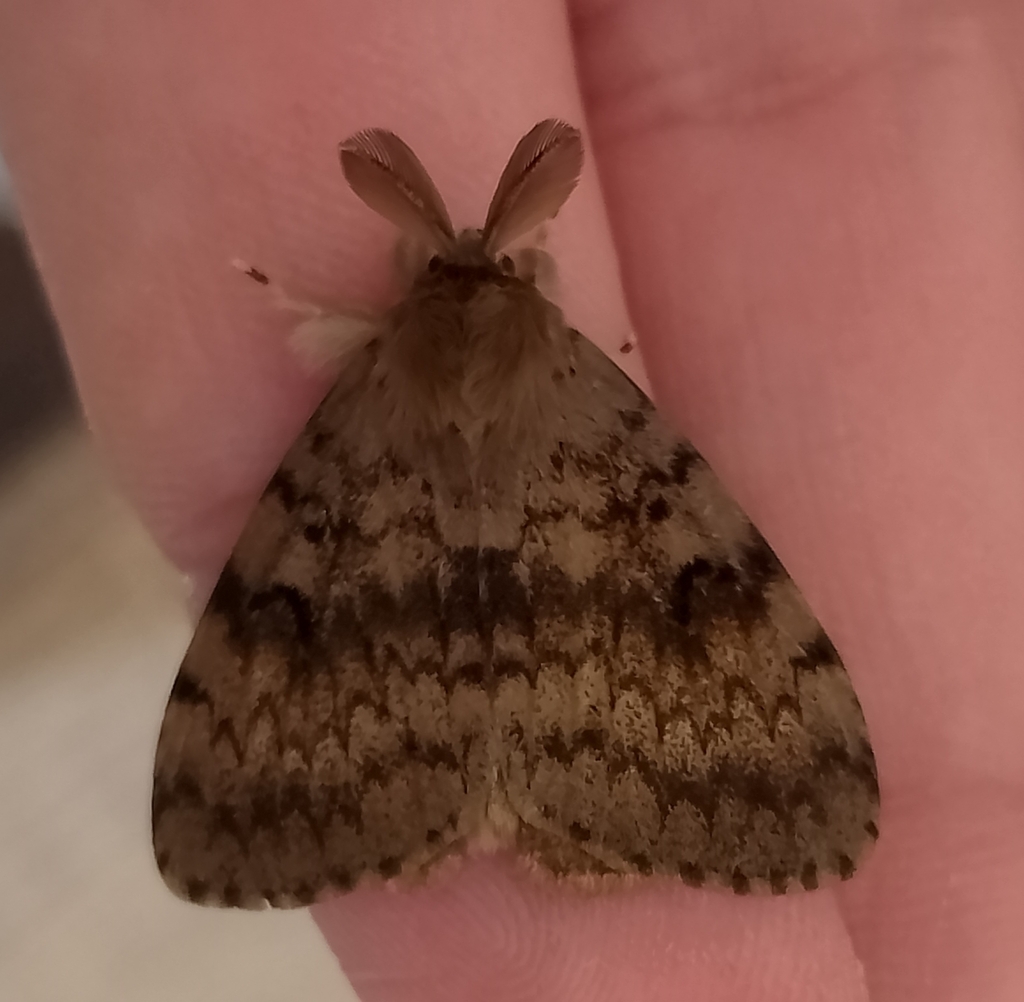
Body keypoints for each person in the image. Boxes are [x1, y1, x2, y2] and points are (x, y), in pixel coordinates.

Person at [1, 5, 1021, 1000]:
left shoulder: (369, 378)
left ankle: (445, 808)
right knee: (704, 597)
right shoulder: (585, 390)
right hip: (585, 488)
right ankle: (558, 798)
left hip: (365, 511)